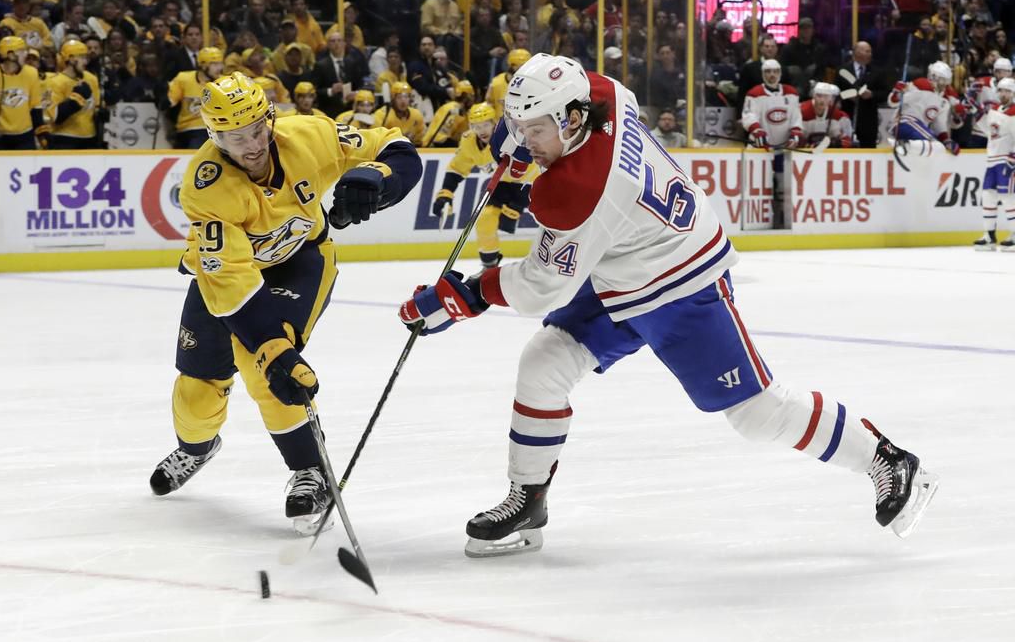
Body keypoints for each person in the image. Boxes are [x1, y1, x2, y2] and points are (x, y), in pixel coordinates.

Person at [397, 53, 939, 558]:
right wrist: (520, 141)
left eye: (534, 129)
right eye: (519, 125)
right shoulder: (602, 93)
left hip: (680, 279)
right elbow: (596, 116)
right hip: (626, 263)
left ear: (571, 119)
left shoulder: (578, 189)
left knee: (756, 413)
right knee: (544, 364)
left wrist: (467, 295)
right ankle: (529, 501)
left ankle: (887, 460)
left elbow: (542, 286)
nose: (524, 138)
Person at [149, 71, 422, 535]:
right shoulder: (205, 187)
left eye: (258, 129)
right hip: (227, 278)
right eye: (237, 138)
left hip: (300, 263)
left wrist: (379, 178)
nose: (253, 145)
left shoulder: (308, 135)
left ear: (270, 118)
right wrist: (271, 346)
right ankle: (197, 448)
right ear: (214, 137)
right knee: (197, 392)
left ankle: (310, 469)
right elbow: (232, 280)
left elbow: (396, 146)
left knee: (265, 369)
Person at [432, 101, 539, 272]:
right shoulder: (469, 141)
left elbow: (530, 163)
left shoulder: (509, 135)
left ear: (494, 122)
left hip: (532, 181)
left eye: (485, 125)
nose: (481, 130)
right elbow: (457, 168)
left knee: (548, 220)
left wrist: (517, 204)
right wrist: (446, 193)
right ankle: (489, 265)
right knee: (484, 219)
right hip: (503, 183)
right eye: (476, 126)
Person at [741, 58, 802, 227]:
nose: (772, 75)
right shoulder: (754, 94)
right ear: (762, 74)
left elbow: (796, 118)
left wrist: (795, 133)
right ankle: (758, 220)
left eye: (775, 71)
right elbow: (748, 116)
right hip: (761, 149)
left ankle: (782, 219)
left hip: (783, 149)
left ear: (780, 73)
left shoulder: (791, 93)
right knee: (759, 185)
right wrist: (756, 129)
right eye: (768, 72)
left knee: (783, 186)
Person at [975, 77, 1015, 250]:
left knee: (1009, 198)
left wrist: (1012, 161)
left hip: (1006, 160)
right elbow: (989, 131)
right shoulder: (996, 110)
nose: (1003, 94)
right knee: (988, 196)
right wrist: (977, 113)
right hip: (992, 160)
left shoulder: (1014, 112)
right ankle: (989, 236)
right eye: (1001, 90)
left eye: (1007, 91)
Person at [889, 61, 961, 155]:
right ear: (933, 77)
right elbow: (893, 103)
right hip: (905, 123)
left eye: (947, 81)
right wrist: (897, 92)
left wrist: (946, 140)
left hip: (917, 128)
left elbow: (939, 127)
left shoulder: (944, 101)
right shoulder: (919, 85)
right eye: (943, 80)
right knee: (937, 146)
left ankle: (906, 146)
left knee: (937, 148)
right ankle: (904, 145)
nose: (945, 84)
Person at [164, 46, 225, 149]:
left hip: (217, 129)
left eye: (220, 63)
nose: (219, 68)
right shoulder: (184, 79)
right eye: (214, 64)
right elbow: (170, 101)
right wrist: (163, 94)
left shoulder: (225, 83)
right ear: (203, 66)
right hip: (190, 128)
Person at [0, 36, 45, 150]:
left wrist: (42, 134)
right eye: (22, 51)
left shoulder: (31, 73)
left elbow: (35, 107)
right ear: (10, 55)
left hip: (25, 135)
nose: (26, 54)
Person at [44, 39, 100, 149]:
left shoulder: (91, 78)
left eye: (86, 58)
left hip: (90, 138)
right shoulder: (54, 82)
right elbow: (55, 117)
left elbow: (95, 108)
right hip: (65, 139)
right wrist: (76, 98)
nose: (86, 62)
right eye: (82, 58)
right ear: (70, 59)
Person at [968, 57, 1014, 148]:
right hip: (979, 132)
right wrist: (970, 95)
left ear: (1011, 73)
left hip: (1001, 135)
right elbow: (967, 104)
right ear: (994, 71)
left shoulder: (1013, 87)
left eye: (1006, 72)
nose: (1003, 75)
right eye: (999, 71)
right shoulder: (981, 83)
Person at [422, 80, 475, 148]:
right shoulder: (453, 108)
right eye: (471, 95)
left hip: (442, 146)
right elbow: (438, 138)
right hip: (431, 147)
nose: (473, 99)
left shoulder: (465, 113)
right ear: (464, 95)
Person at [800, 82, 853, 148]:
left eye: (826, 96)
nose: (822, 100)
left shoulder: (840, 117)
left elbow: (847, 142)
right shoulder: (800, 111)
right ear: (813, 96)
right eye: (819, 96)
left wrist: (836, 143)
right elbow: (793, 138)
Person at [372, 81, 426, 145]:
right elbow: (375, 139)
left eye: (406, 97)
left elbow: (421, 139)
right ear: (393, 98)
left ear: (410, 98)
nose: (403, 101)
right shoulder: (381, 114)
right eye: (399, 97)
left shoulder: (417, 115)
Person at [487, 48, 530, 119]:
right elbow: (489, 104)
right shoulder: (496, 83)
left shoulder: (531, 84)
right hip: (500, 123)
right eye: (521, 66)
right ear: (512, 65)